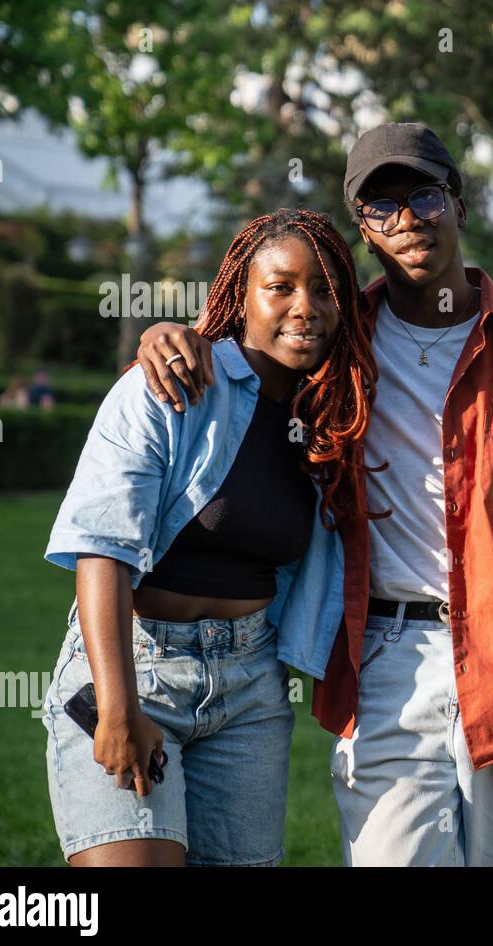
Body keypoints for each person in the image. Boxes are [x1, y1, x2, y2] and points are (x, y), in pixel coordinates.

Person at [135, 124, 493, 866]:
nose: (407, 219)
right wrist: (165, 334)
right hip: (383, 659)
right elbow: (243, 337)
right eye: (381, 208)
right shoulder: (334, 347)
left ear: (459, 203)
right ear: (363, 229)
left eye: (424, 196)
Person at [42, 208, 376, 866]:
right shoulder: (173, 385)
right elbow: (101, 549)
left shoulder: (334, 418)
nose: (304, 307)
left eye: (324, 290)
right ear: (239, 296)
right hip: (133, 666)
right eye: (280, 287)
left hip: (249, 686)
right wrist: (117, 710)